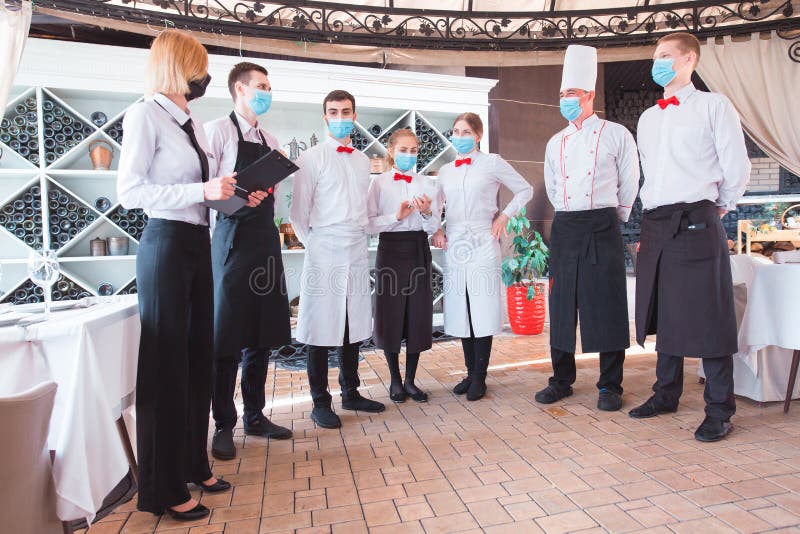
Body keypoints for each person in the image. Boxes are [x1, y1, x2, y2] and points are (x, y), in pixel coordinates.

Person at [117, 30, 263, 520]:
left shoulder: (192, 124)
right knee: (165, 370)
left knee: (198, 358)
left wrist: (238, 197)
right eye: (199, 66)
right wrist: (204, 188)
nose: (204, 77)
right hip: (164, 246)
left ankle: (193, 463)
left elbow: (204, 194)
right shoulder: (144, 114)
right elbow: (131, 192)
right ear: (179, 66)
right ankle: (159, 490)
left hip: (198, 244)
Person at [630, 32, 750, 442]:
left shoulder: (714, 105)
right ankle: (665, 394)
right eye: (655, 56)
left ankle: (719, 409)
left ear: (689, 59)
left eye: (665, 55)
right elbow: (652, 176)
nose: (657, 62)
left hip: (698, 218)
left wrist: (719, 207)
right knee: (665, 311)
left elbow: (737, 166)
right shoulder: (648, 118)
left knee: (709, 315)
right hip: (657, 221)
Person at [535, 45, 640, 412]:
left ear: (590, 95)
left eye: (573, 94)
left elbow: (630, 180)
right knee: (562, 304)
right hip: (566, 224)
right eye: (563, 94)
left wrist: (614, 216)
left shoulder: (616, 134)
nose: (567, 100)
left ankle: (610, 385)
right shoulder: (555, 142)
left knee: (607, 304)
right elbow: (551, 184)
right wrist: (567, 213)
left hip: (601, 223)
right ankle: (561, 380)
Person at [204, 62, 292, 461]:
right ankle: (224, 423)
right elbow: (204, 195)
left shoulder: (271, 138)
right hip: (232, 240)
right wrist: (240, 197)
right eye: (261, 85)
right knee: (227, 338)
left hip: (264, 240)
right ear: (239, 89)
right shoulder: (216, 131)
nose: (267, 92)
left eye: (269, 86)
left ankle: (256, 415)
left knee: (260, 334)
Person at [291, 90, 385, 429]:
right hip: (324, 247)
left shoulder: (362, 161)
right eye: (334, 111)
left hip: (357, 246)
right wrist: (316, 245)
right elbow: (298, 212)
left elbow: (364, 210)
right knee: (320, 326)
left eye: (346, 111)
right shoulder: (311, 158)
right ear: (325, 116)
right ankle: (320, 401)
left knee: (352, 323)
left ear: (355, 116)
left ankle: (351, 392)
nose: (341, 117)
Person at [432, 113, 533, 401]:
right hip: (455, 244)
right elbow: (437, 206)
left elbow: (526, 189)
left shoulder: (492, 163)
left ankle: (480, 376)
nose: (460, 136)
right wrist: (437, 229)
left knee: (481, 306)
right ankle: (468, 372)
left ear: (478, 135)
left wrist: (504, 216)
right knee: (461, 306)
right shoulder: (446, 170)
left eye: (465, 131)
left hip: (483, 240)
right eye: (455, 131)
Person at [367, 129, 440, 403]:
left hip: (419, 249)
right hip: (389, 249)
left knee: (417, 315)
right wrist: (395, 217)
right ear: (391, 151)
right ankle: (395, 381)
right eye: (403, 150)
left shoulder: (429, 184)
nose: (409, 155)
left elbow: (434, 228)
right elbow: (369, 224)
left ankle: (410, 380)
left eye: (414, 150)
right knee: (390, 314)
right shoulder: (378, 184)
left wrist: (426, 213)